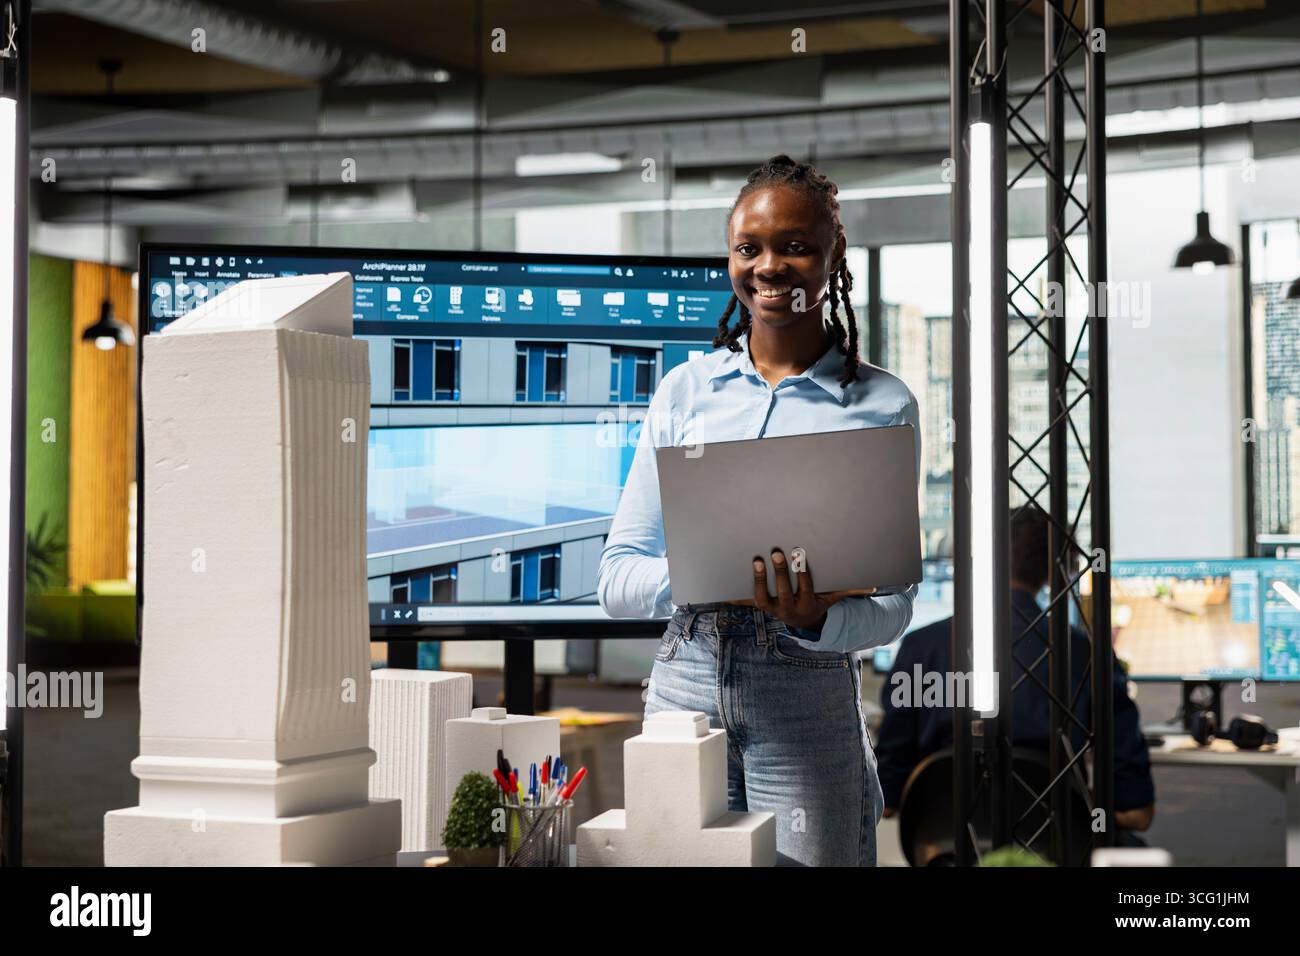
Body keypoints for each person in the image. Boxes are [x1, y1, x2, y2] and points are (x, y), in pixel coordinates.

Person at [597, 154, 922, 866]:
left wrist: (814, 620)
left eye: (794, 245)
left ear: (833, 256)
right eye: (749, 248)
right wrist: (711, 574)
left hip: (805, 694)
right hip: (684, 682)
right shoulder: (685, 391)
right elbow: (617, 579)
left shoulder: (882, 404)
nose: (769, 265)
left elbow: (896, 603)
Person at [875, 507, 1156, 841]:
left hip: (945, 853)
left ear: (979, 560)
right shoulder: (1086, 655)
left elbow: (886, 801)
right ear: (1055, 571)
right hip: (1058, 850)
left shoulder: (920, 648)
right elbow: (1136, 813)